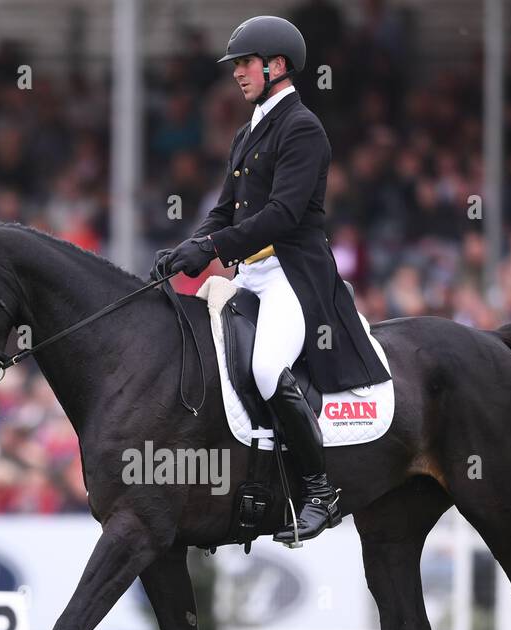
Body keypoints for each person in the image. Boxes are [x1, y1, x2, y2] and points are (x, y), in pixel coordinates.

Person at [153, 15, 390, 542]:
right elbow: (226, 212)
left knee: (265, 369)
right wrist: (189, 247)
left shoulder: (302, 127)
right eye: (236, 65)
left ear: (275, 66)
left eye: (244, 63)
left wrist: (212, 247)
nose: (237, 74)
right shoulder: (249, 129)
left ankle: (320, 490)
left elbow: (282, 215)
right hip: (253, 273)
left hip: (293, 276)